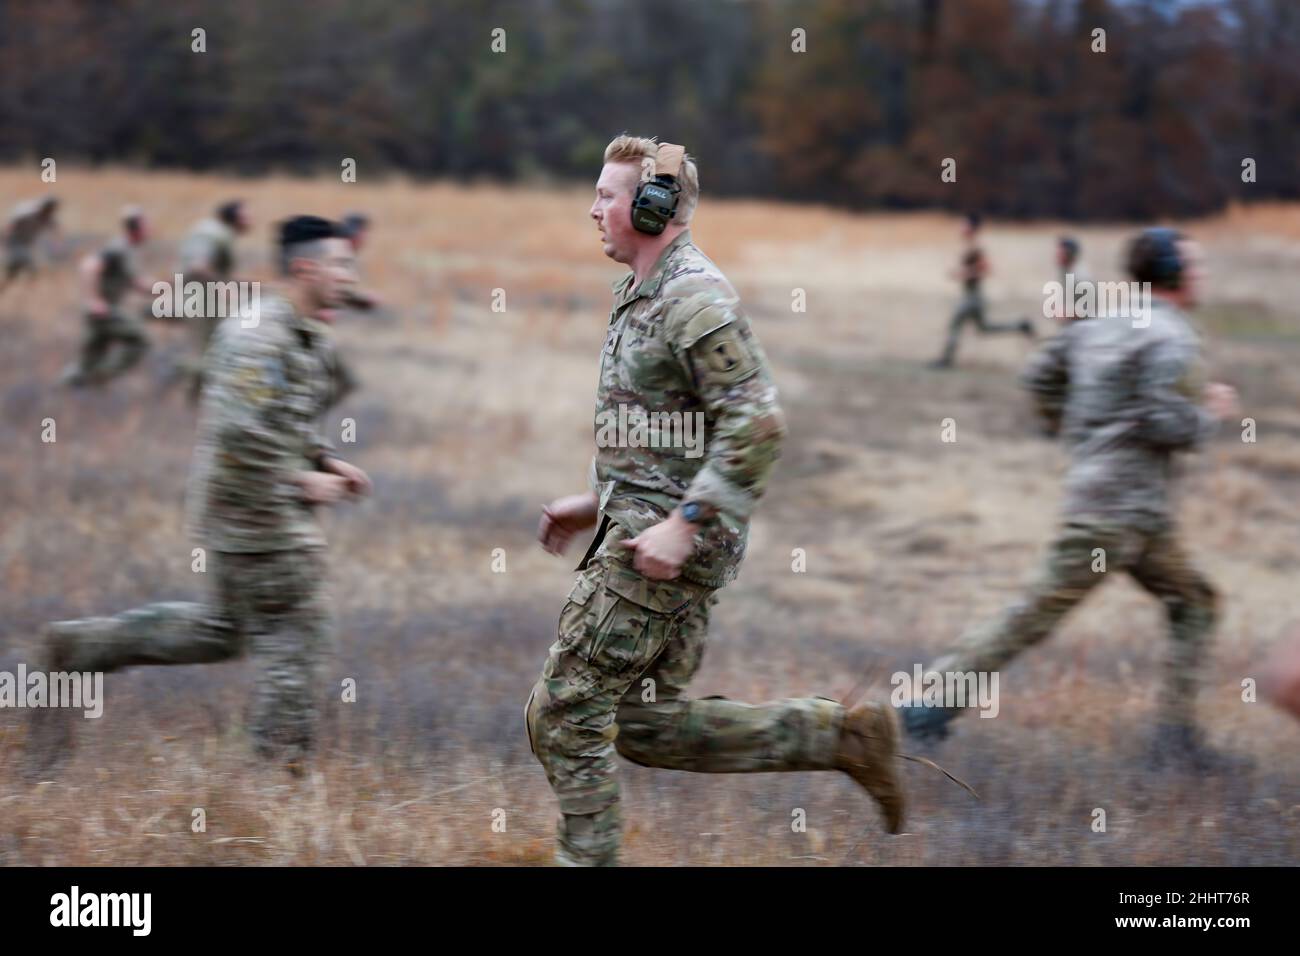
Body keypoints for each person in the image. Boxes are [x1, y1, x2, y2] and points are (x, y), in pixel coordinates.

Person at [525, 134, 904, 867]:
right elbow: (668, 430)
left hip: (667, 548)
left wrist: (684, 523)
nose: (592, 209)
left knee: (565, 715)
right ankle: (840, 737)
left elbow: (757, 421)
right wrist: (597, 498)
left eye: (607, 195)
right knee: (644, 726)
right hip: (645, 532)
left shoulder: (692, 296)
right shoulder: (644, 290)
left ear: (654, 204)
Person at [30, 216, 371, 773]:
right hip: (258, 519)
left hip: (253, 516)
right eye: (341, 264)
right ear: (305, 267)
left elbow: (284, 419)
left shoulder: (303, 334)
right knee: (296, 640)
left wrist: (325, 458)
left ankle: (78, 650)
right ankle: (278, 791)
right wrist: (301, 481)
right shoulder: (259, 336)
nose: (350, 276)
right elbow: (239, 430)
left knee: (222, 631)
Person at [902, 228, 1244, 772]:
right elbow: (1162, 417)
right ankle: (924, 706)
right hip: (1118, 515)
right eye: (1196, 264)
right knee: (1033, 613)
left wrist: (1073, 430)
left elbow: (1038, 375)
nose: (1203, 274)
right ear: (1174, 274)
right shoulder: (1173, 337)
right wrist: (1209, 415)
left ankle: (1177, 738)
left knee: (1196, 602)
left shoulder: (1103, 320)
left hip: (1132, 513)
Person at [59, 206, 156, 386]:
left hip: (102, 313)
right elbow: (88, 266)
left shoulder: (127, 250)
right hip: (104, 311)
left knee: (89, 360)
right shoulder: (117, 249)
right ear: (137, 229)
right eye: (147, 226)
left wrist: (167, 287)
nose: (150, 230)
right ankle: (99, 378)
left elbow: (136, 283)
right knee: (141, 340)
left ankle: (66, 389)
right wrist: (94, 301)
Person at [932, 213, 1034, 368]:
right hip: (972, 295)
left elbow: (986, 270)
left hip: (974, 296)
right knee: (984, 329)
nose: (961, 227)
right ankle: (1019, 325)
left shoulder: (976, 247)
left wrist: (963, 274)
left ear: (972, 228)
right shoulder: (970, 245)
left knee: (955, 321)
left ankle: (946, 359)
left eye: (964, 224)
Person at [0, 196, 61, 296]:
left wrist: (57, 245)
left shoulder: (47, 218)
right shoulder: (27, 214)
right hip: (15, 242)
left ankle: (15, 291)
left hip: (26, 244)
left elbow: (56, 230)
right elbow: (10, 226)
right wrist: (4, 242)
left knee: (18, 272)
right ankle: (23, 292)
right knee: (26, 266)